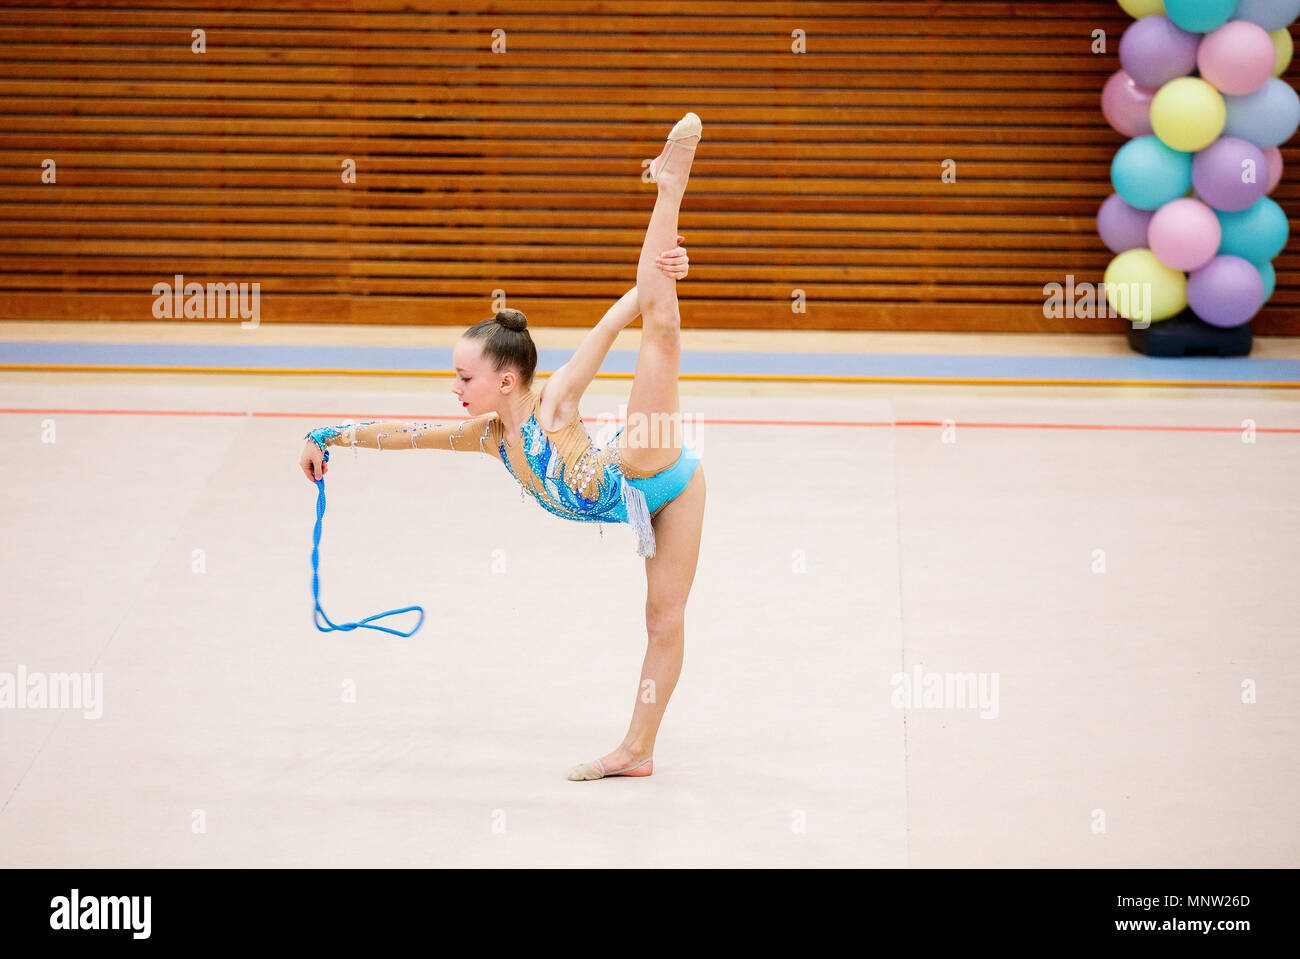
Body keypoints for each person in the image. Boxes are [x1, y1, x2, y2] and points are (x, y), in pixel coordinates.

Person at [299, 113, 705, 782]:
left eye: (465, 376)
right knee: (661, 617)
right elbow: (406, 438)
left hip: (652, 466)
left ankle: (669, 187)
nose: (454, 388)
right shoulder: (490, 439)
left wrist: (661, 275)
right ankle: (638, 751)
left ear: (505, 379)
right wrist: (330, 434)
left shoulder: (555, 402)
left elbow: (618, 320)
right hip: (641, 504)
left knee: (662, 331)